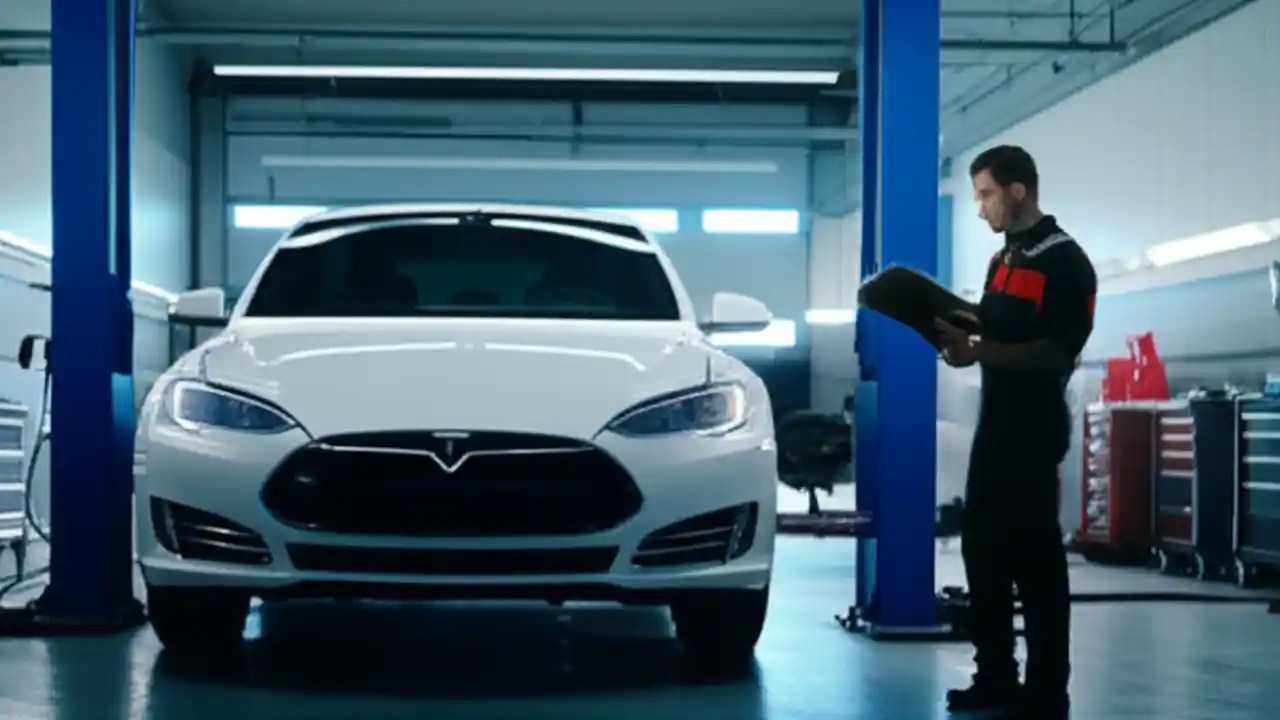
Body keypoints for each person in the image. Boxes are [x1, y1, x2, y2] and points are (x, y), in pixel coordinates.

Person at [934, 145, 1097, 720]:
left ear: (1018, 191)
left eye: (986, 195)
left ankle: (1047, 689)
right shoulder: (1003, 259)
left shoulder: (1066, 262)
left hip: (1033, 432)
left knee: (1035, 564)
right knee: (983, 554)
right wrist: (952, 329)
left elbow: (1055, 353)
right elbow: (994, 327)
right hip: (995, 429)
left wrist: (978, 351)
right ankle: (995, 678)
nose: (980, 207)